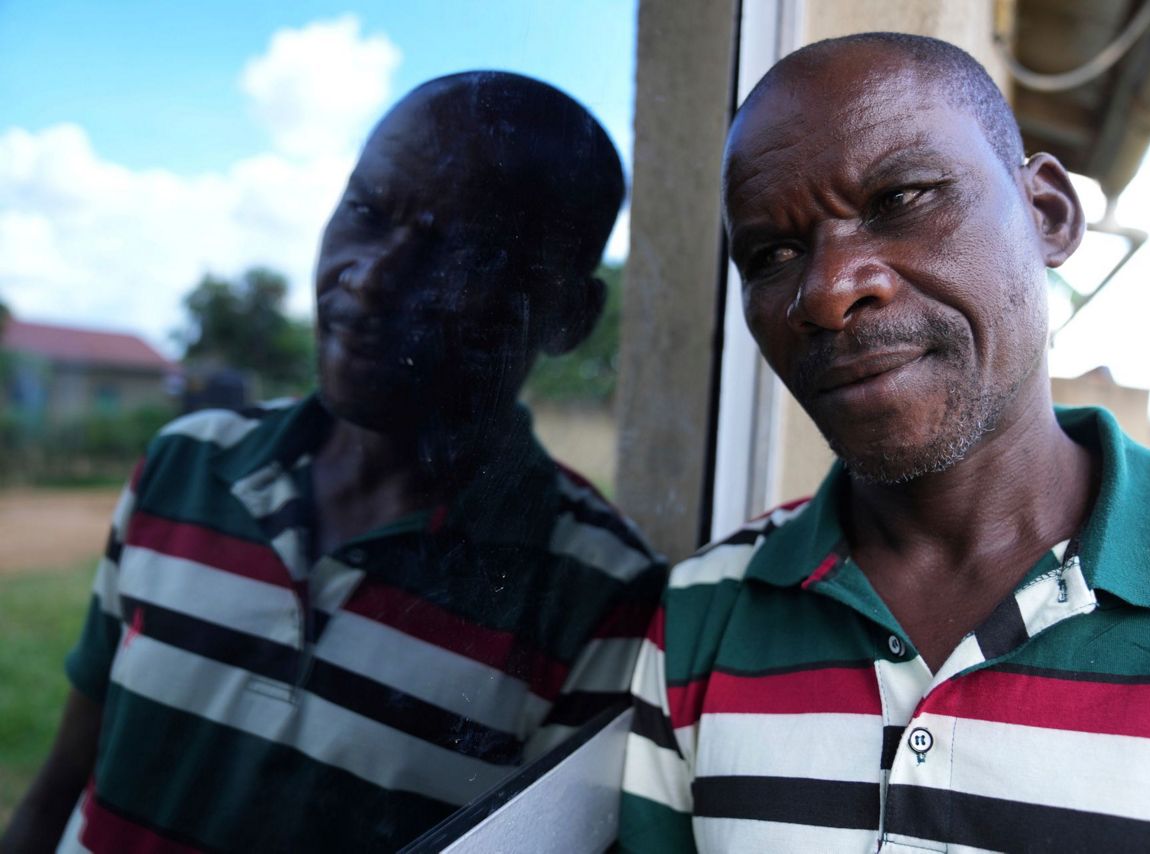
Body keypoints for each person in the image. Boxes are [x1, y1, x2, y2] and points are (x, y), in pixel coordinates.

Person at [617, 32, 1150, 852]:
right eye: (773, 252)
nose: (827, 291)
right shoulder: (703, 613)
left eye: (901, 199)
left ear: (1048, 215)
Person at [5, 71, 665, 853]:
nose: (373, 279)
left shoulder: (600, 599)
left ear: (565, 314)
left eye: (465, 254)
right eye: (364, 213)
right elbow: (55, 795)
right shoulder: (185, 465)